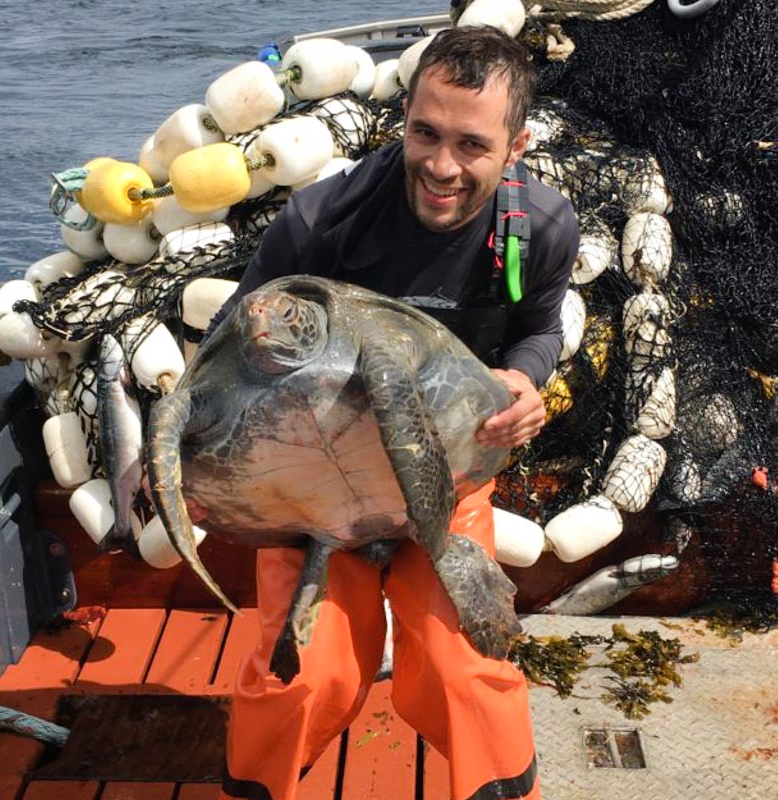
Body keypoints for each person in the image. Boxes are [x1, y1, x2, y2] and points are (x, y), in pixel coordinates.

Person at [212, 24, 579, 800]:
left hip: (443, 489)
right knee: (303, 676)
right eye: (425, 133)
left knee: (469, 670)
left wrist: (523, 378)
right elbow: (230, 354)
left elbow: (541, 329)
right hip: (313, 493)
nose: (442, 167)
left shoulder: (541, 231)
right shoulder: (320, 224)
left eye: (473, 146)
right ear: (403, 119)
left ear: (515, 148)